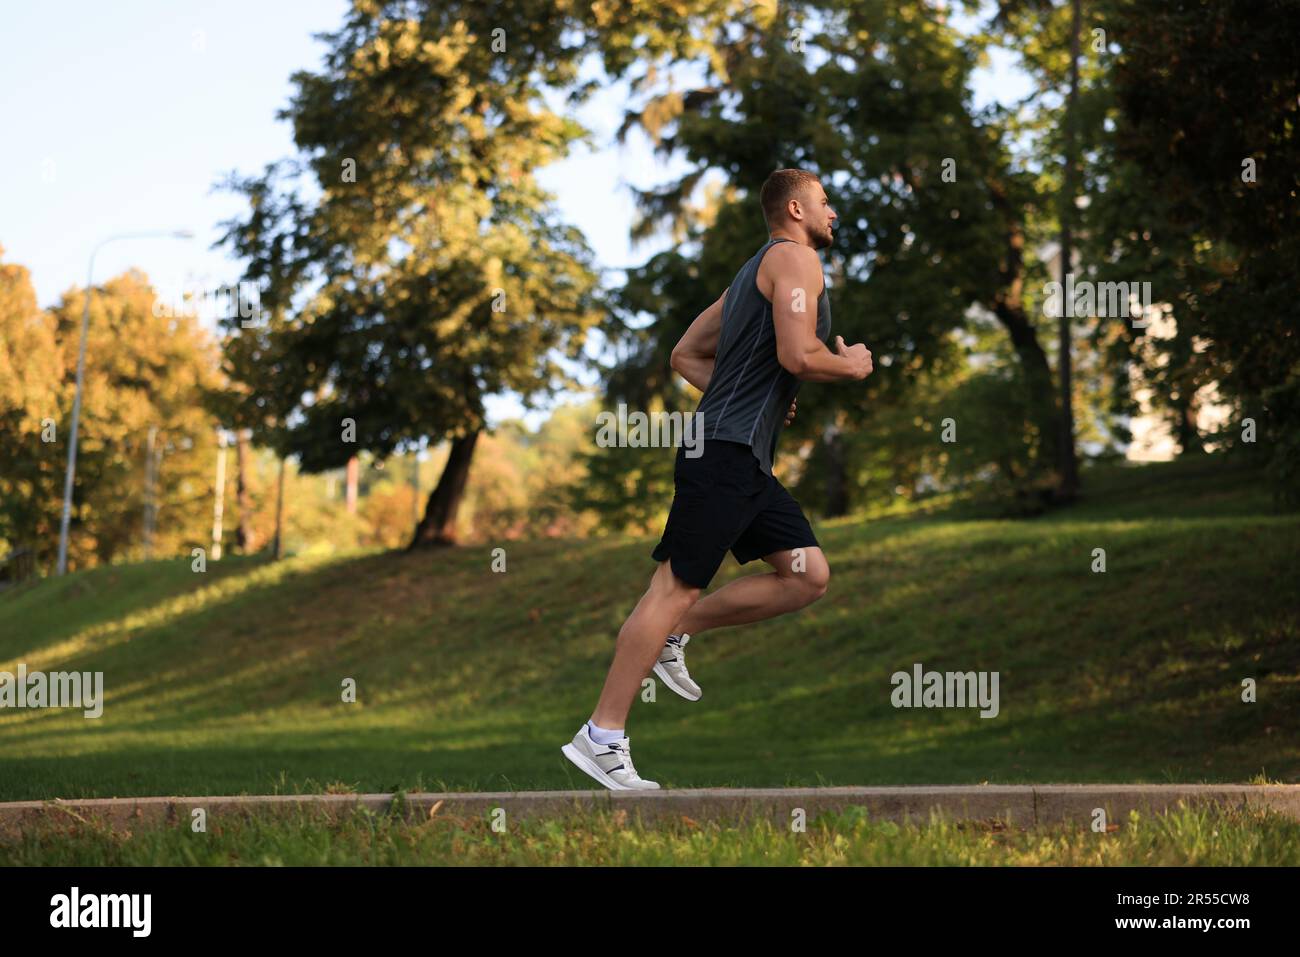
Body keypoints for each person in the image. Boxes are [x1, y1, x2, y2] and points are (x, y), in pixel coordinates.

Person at [562, 168, 874, 789]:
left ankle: (680, 633)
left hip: (743, 456)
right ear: (794, 208)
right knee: (672, 587)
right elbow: (796, 355)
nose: (832, 212)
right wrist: (849, 364)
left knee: (807, 573)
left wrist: (745, 390)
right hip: (724, 454)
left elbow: (685, 354)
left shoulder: (753, 272)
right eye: (825, 202)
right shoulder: (797, 262)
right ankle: (601, 736)